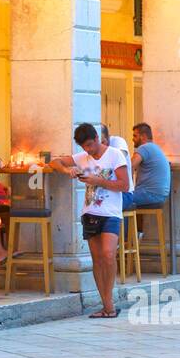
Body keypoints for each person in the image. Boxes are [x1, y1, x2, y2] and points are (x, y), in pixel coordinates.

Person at [51, 123, 130, 318]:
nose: (88, 150)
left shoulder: (115, 154)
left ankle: (109, 301)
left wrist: (99, 181)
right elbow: (55, 162)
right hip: (90, 211)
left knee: (108, 255)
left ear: (97, 138)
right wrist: (67, 171)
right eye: (83, 147)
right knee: (97, 259)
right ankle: (106, 306)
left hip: (111, 212)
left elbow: (125, 185)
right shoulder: (82, 157)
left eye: (89, 145)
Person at [125, 122, 170, 210]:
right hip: (160, 195)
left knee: (120, 199)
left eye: (135, 136)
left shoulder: (144, 148)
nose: (132, 139)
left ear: (143, 136)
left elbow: (129, 167)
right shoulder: (155, 148)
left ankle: (122, 224)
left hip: (150, 194)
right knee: (125, 198)